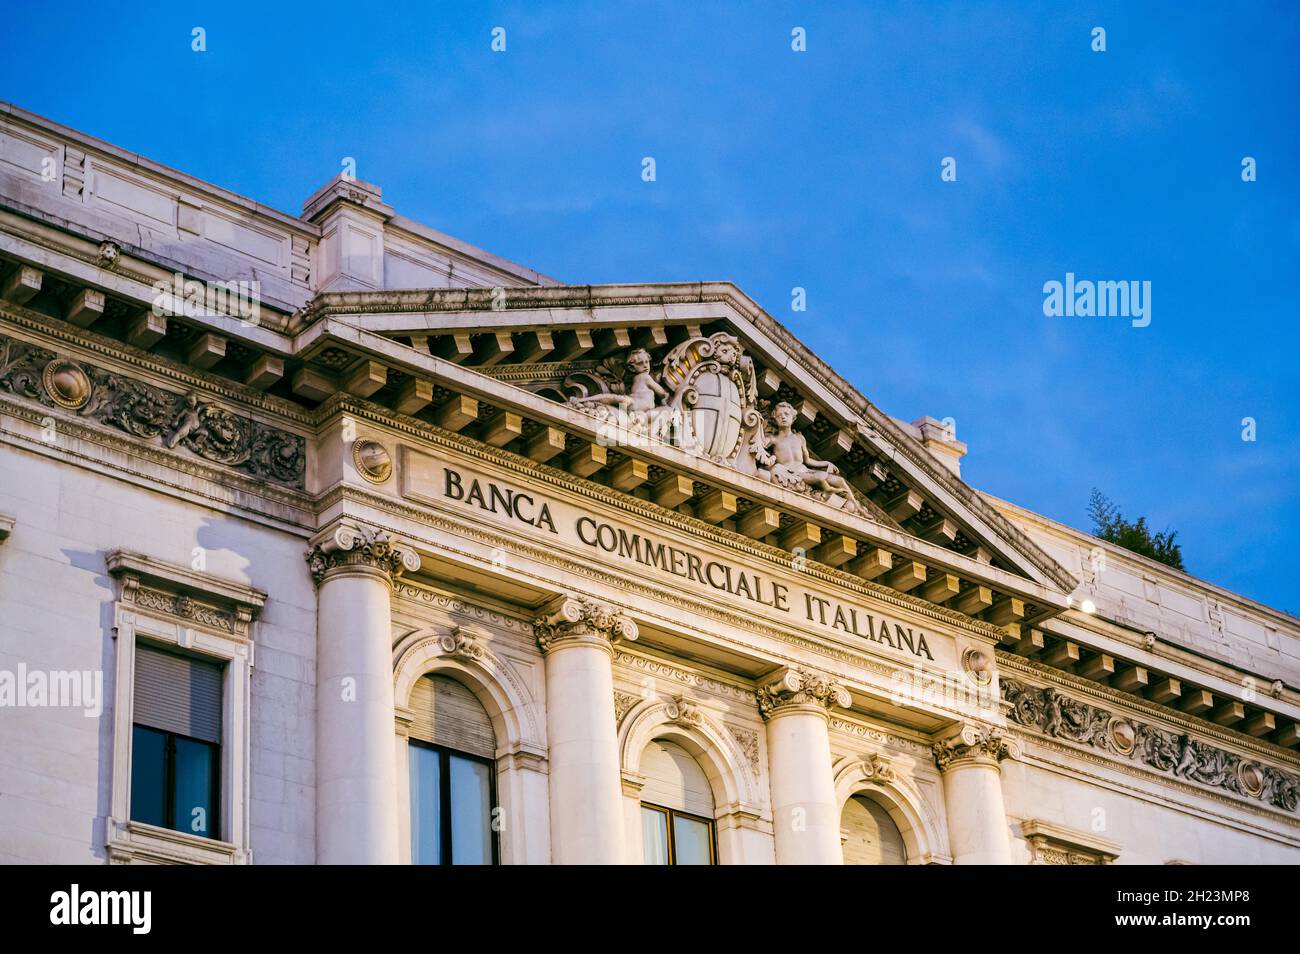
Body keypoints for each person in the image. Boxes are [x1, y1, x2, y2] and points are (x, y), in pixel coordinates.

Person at [755, 401, 861, 513]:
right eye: (779, 415)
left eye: (786, 414)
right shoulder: (773, 439)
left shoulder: (800, 438)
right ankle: (827, 490)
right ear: (774, 418)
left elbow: (807, 460)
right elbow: (759, 445)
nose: (783, 418)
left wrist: (826, 463)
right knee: (819, 477)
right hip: (790, 473)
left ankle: (858, 509)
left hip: (805, 470)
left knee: (840, 480)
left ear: (793, 418)